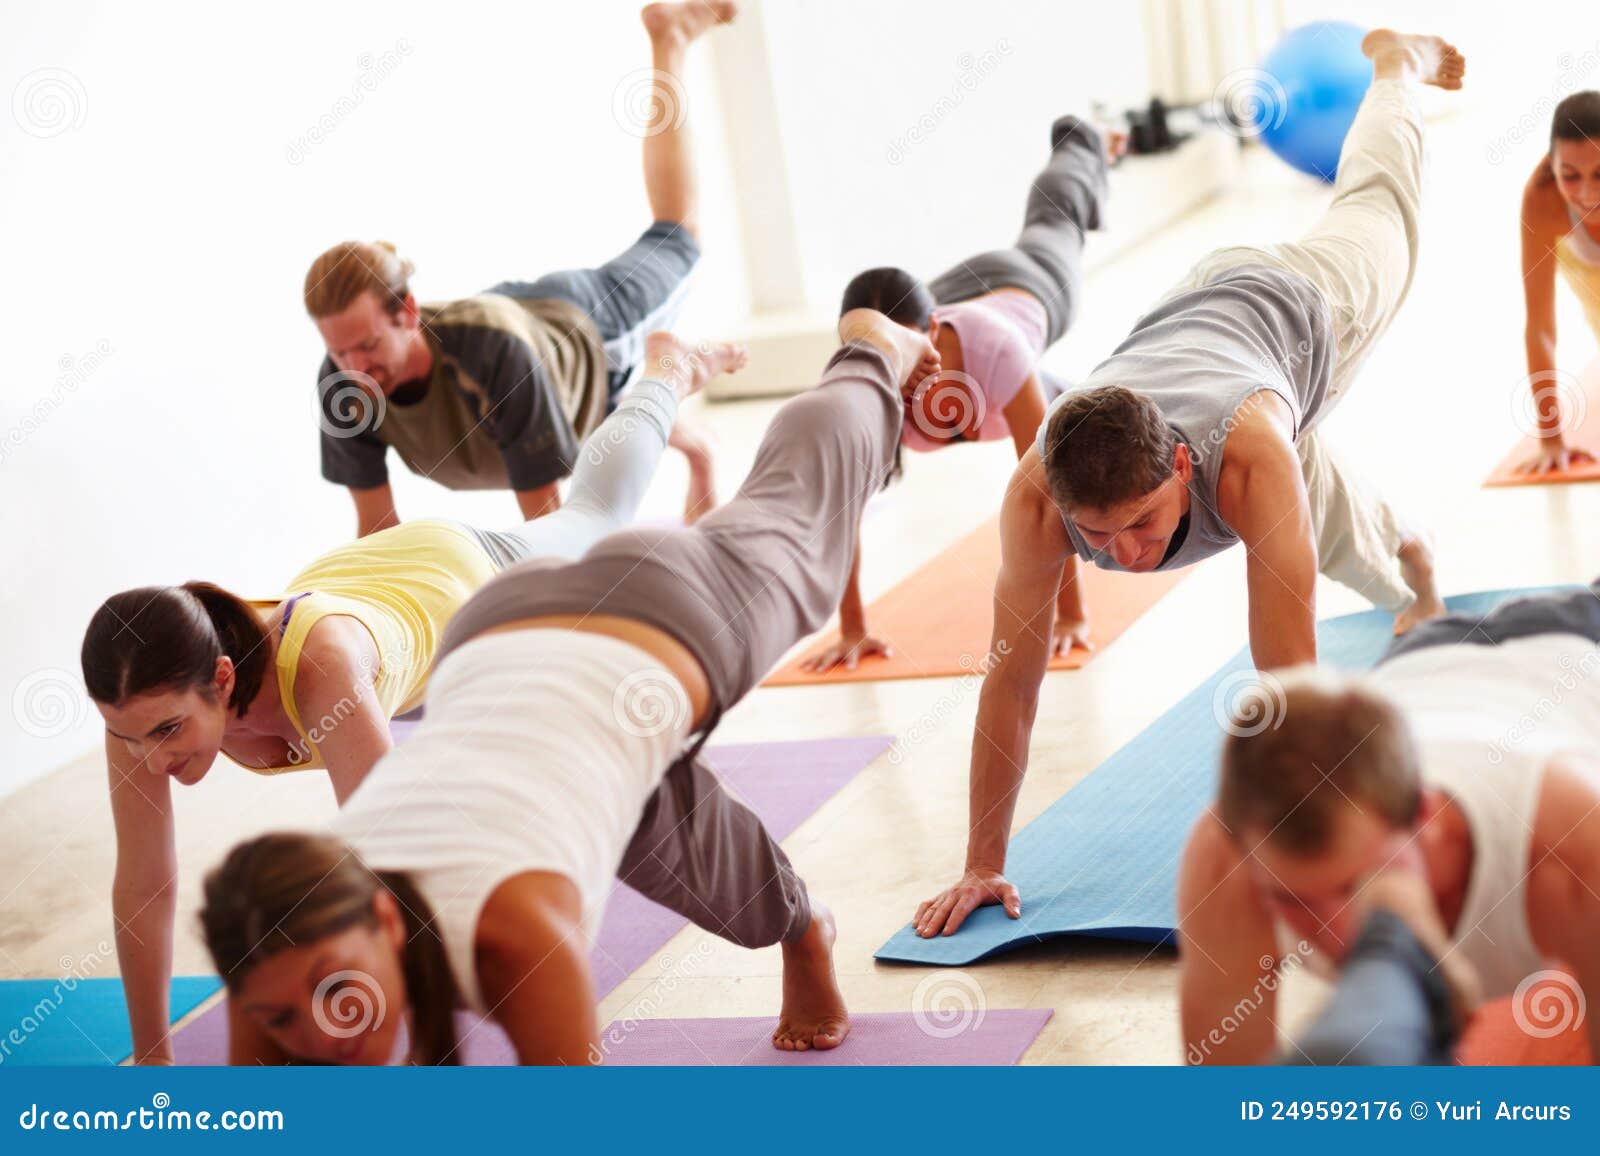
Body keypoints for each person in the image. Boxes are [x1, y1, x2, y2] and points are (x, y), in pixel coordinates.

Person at [195, 309, 941, 1065]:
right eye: (282, 1021)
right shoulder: (276, 956)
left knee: (793, 516)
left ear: (390, 926)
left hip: (650, 615)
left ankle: (872, 358)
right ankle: (802, 926)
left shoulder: (514, 934)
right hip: (490, 641)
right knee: (657, 828)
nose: (324, 1033)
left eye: (335, 989)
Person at [912, 29, 1462, 938]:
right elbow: (1010, 684)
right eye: (1098, 538)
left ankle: (1396, 66)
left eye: (1139, 524)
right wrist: (982, 864)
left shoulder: (1247, 459)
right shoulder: (1035, 495)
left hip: (1303, 305)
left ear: (1180, 465)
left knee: (1379, 205)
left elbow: (1285, 669)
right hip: (1194, 313)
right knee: (1367, 560)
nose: (1122, 556)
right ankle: (1413, 559)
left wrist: (1311, 850)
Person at [81, 332, 742, 1065]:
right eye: (133, 737)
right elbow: (144, 885)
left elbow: (394, 867)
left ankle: (667, 373)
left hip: (461, 581)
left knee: (595, 512)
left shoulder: (321, 672)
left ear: (225, 680)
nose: (153, 756)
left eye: (169, 730)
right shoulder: (138, 712)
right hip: (364, 589)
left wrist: (416, 1055)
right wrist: (151, 1058)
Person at [305, 2, 733, 535]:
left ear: (407, 313)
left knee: (677, 233)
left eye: (366, 346)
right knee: (588, 416)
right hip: (529, 366)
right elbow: (377, 531)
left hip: (582, 325)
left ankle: (670, 40)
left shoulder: (495, 356)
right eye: (338, 350)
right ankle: (701, 445)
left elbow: (549, 529)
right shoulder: (345, 390)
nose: (354, 368)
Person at [1177, 580, 1600, 1064]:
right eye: (1291, 899)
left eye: (1356, 885)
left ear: (1424, 815)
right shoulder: (1226, 859)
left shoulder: (1570, 848)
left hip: (1580, 650)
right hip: (1427, 655)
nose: (1340, 938)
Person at [803, 115, 1114, 670]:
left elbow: (1045, 485)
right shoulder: (866, 377)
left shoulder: (996, 349)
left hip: (1026, 286)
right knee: (1058, 407)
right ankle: (1061, 400)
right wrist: (852, 627)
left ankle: (1084, 143)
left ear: (928, 332)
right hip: (944, 313)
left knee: (1054, 221)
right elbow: (843, 511)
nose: (883, 365)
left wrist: (1072, 613)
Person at [1517, 89, 1600, 474]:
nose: (1588, 193)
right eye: (1570, 175)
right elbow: (1540, 328)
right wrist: (1551, 436)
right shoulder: (1542, 199)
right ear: (1552, 166)